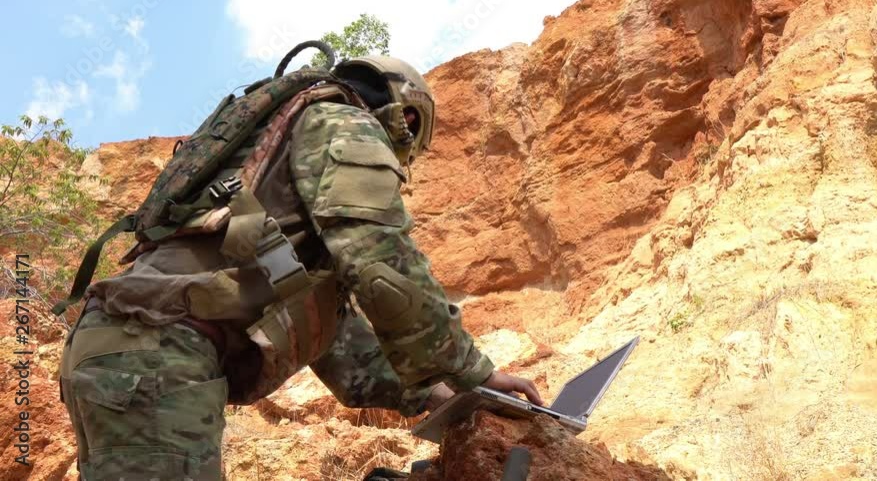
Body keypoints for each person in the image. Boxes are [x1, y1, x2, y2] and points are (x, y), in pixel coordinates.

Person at [57, 55, 543, 480]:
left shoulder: (286, 202)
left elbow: (345, 355)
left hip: (129, 354)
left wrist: (440, 397)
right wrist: (470, 371)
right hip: (155, 355)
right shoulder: (343, 121)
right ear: (407, 117)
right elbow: (380, 259)